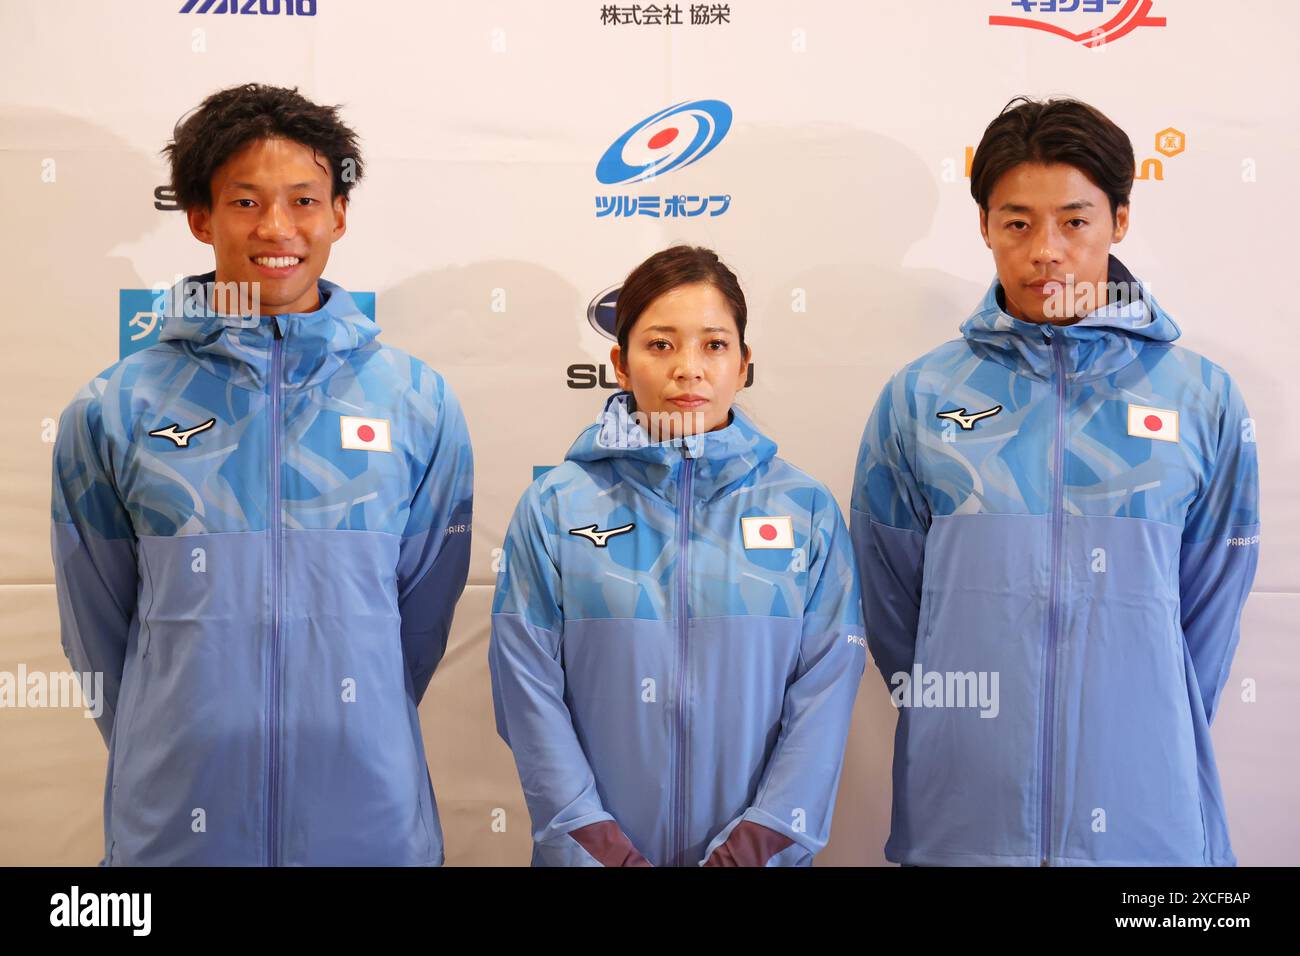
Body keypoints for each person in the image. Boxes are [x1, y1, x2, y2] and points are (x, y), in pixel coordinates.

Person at [50, 83, 473, 865]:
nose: (277, 228)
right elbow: (99, 628)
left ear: (339, 214)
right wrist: (175, 728)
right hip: (177, 829)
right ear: (201, 217)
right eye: (245, 202)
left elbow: (418, 621)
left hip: (368, 823)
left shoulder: (416, 402)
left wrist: (351, 717)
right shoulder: (116, 406)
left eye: (304, 199)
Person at [852, 96, 1261, 866]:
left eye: (1075, 221)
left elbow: (1209, 611)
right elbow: (894, 610)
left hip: (1146, 819)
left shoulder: (1201, 398)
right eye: (1017, 222)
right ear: (983, 226)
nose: (1046, 250)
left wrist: (1146, 719)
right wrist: (961, 721)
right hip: (965, 816)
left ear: (1121, 220)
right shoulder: (920, 398)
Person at [489, 245, 865, 866]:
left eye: (714, 345)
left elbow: (825, 692)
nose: (688, 369)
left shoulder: (806, 510)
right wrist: (597, 843)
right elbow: (528, 692)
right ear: (620, 363)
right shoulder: (554, 506)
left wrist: (756, 845)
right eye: (661, 345)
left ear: (744, 365)